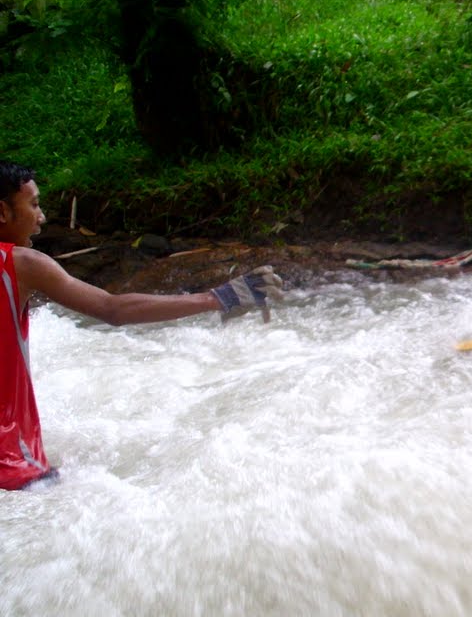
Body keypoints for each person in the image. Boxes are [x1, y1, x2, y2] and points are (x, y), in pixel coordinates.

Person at [1, 160, 283, 491]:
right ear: (2, 212)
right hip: (12, 465)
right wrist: (219, 297)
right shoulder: (21, 263)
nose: (42, 216)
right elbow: (113, 309)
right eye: (33, 204)